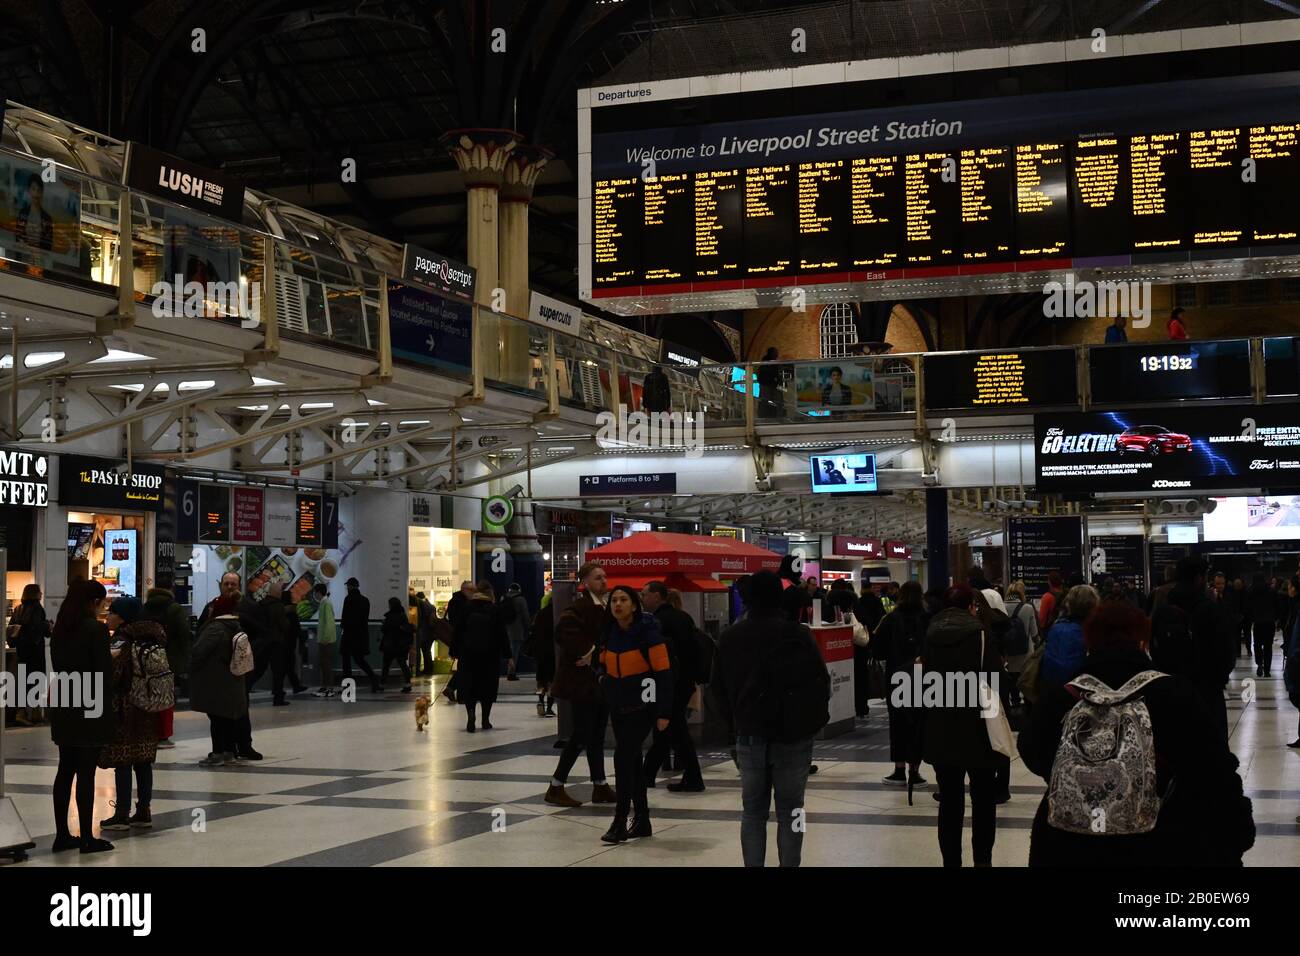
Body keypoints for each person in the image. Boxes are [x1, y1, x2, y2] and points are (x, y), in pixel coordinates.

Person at [1019, 602, 1255, 866]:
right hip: (1158, 840)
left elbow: (1031, 750)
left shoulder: (1062, 696)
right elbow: (1213, 768)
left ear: (1089, 640)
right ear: (1143, 640)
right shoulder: (1175, 694)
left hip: (1068, 844)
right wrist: (1236, 833)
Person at [712, 570, 829, 866]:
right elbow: (821, 683)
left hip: (750, 733)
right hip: (793, 735)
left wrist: (734, 725)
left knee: (752, 812)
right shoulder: (798, 634)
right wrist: (812, 724)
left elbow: (717, 690)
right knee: (793, 810)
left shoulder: (730, 637)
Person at [923, 584, 1004, 867]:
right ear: (972, 606)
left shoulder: (930, 633)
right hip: (978, 727)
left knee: (949, 802)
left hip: (941, 726)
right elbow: (994, 681)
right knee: (983, 802)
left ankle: (951, 864)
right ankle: (983, 862)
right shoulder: (981, 634)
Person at [598, 586, 674, 844]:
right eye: (614, 600)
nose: (617, 604)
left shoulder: (649, 633)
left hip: (644, 707)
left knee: (623, 758)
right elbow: (603, 662)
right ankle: (642, 819)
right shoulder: (609, 632)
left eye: (623, 600)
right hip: (619, 706)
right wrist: (603, 679)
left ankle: (620, 820)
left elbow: (664, 674)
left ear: (634, 605)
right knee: (631, 761)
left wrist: (664, 712)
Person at [48, 579, 115, 854]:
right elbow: (103, 673)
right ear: (91, 602)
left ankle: (62, 835)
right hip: (89, 706)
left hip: (65, 703)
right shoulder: (95, 630)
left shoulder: (60, 630)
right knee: (86, 772)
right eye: (100, 602)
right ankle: (87, 837)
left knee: (65, 769)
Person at [545, 562, 617, 808]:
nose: (604, 581)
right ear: (585, 582)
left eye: (605, 577)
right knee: (581, 734)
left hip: (599, 681)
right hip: (582, 683)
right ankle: (556, 785)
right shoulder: (580, 608)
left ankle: (600, 785)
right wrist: (591, 651)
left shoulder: (605, 607)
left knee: (596, 735)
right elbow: (565, 634)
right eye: (598, 578)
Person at [1149, 556, 1236, 741]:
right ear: (1199, 578)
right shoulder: (1208, 608)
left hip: (1173, 689)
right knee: (1212, 746)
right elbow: (1226, 651)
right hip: (1207, 688)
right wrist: (1219, 678)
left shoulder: (1165, 607)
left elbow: (1154, 646)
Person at [98, 596, 166, 832]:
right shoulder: (152, 636)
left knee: (123, 761)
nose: (108, 616)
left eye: (113, 612)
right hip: (146, 707)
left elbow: (112, 674)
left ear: (123, 616)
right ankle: (143, 811)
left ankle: (121, 814)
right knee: (143, 761)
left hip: (124, 709)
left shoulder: (122, 640)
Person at [640, 580, 704, 792]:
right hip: (684, 682)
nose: (642, 599)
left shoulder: (657, 622)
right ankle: (648, 775)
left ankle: (691, 777)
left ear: (657, 596)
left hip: (669, 684)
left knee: (671, 729)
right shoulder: (683, 618)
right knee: (669, 729)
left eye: (645, 594)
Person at [870, 580, 929, 787]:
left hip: (896, 677)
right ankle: (915, 770)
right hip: (923, 678)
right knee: (919, 724)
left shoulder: (890, 619)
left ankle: (899, 769)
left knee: (898, 723)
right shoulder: (927, 618)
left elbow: (876, 649)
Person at [190, 593, 248, 767]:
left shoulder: (216, 628)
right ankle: (229, 751)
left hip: (215, 679)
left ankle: (217, 753)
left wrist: (190, 667)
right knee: (227, 717)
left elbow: (199, 652)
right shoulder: (235, 626)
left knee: (216, 718)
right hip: (232, 678)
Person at [143, 573, 190, 746]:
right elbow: (184, 634)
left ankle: (150, 730)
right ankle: (163, 733)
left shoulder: (146, 606)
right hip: (169, 659)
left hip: (147, 658)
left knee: (150, 695)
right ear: (171, 588)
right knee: (166, 697)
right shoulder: (174, 608)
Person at [456, 582, 510, 731]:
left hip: (468, 655)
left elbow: (458, 631)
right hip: (489, 656)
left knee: (470, 685)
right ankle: (485, 720)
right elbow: (502, 634)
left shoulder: (467, 607)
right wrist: (508, 654)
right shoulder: (494, 609)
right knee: (488, 687)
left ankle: (471, 713)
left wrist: (455, 652)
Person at [1040, 585, 1100, 689]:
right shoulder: (1083, 633)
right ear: (1091, 607)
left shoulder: (1056, 627)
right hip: (1074, 693)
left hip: (1050, 690)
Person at [7, 583, 49, 725]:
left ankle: (21, 712)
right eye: (40, 592)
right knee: (37, 681)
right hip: (35, 652)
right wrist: (48, 626)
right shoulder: (37, 608)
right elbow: (38, 629)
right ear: (35, 594)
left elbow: (13, 629)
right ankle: (35, 713)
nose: (42, 594)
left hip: (21, 652)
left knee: (24, 682)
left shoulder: (18, 609)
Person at [340, 576, 381, 693]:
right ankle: (374, 680)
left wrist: (344, 628)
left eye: (348, 585)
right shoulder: (365, 600)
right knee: (360, 660)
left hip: (349, 635)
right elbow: (364, 619)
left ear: (351, 586)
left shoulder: (348, 599)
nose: (347, 587)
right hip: (361, 635)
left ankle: (348, 687)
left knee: (346, 661)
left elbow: (345, 617)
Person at [1003, 580, 1040, 707]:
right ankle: (1028, 711)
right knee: (1026, 683)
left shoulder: (1001, 607)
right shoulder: (1028, 608)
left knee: (1012, 682)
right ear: (1022, 593)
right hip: (1026, 653)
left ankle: (1015, 706)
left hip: (1008, 653)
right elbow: (1034, 633)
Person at [526, 599, 557, 717]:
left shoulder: (539, 614)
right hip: (553, 651)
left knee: (541, 679)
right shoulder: (557, 614)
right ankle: (549, 707)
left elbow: (532, 631)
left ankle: (540, 702)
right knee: (552, 679)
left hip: (540, 652)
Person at [379, 596, 415, 693]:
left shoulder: (390, 616)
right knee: (403, 665)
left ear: (391, 605)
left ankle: (382, 684)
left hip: (390, 645)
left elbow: (384, 629)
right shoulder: (403, 615)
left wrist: (384, 624)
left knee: (386, 665)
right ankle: (408, 684)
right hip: (401, 645)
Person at [1246, 574, 1278, 678]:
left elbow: (1248, 607)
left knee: (1257, 644)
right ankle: (1267, 670)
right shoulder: (1271, 591)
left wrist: (1251, 618)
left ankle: (1259, 663)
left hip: (1258, 623)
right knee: (1268, 646)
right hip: (1269, 622)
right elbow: (1277, 605)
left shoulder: (1251, 591)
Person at [312, 583, 337, 697]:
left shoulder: (326, 603)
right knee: (323, 664)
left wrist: (326, 638)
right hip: (323, 639)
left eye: (315, 592)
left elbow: (329, 623)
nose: (314, 595)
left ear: (318, 592)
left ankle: (329, 688)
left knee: (326, 664)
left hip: (325, 640)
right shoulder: (324, 603)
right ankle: (325, 687)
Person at [502, 583, 531, 681]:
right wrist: (529, 628)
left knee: (507, 651)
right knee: (514, 652)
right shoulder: (521, 599)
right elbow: (525, 615)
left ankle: (505, 671)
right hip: (516, 631)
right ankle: (511, 673)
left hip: (504, 630)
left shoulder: (503, 598)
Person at [755, 347, 784, 418]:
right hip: (770, 386)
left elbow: (760, 376)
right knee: (778, 402)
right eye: (776, 352)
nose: (777, 354)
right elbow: (777, 376)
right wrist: (782, 387)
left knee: (764, 403)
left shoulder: (763, 364)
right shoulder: (772, 364)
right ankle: (778, 416)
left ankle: (763, 416)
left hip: (766, 385)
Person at [414, 591, 437, 676]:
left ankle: (421, 670)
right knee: (427, 651)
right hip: (430, 633)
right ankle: (429, 669)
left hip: (423, 632)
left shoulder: (421, 605)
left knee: (420, 651)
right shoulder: (431, 606)